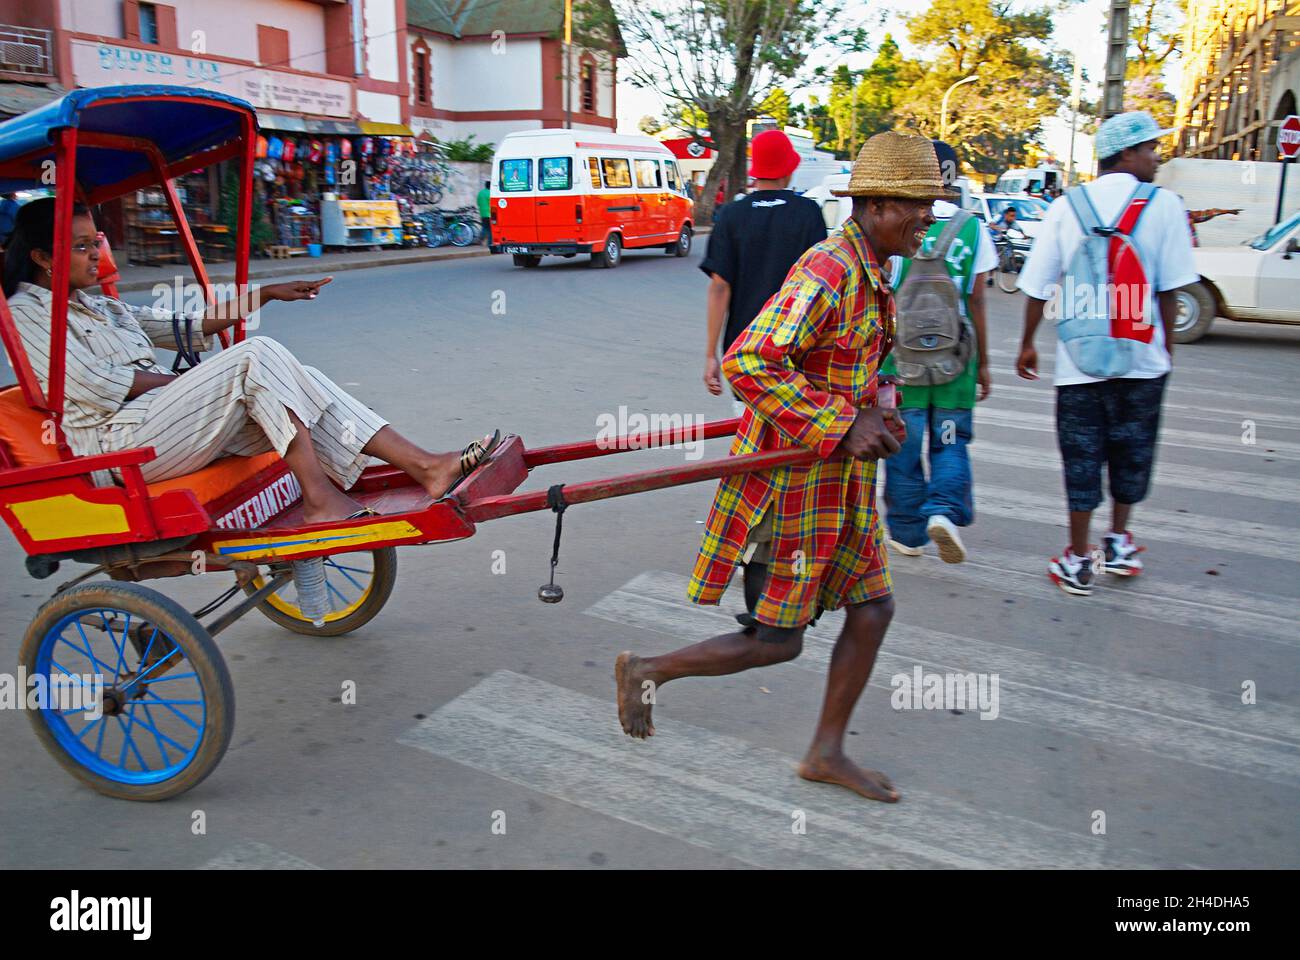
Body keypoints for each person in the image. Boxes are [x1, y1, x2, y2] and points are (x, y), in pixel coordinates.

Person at [615, 131, 952, 804]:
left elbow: (853, 364)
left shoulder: (875, 270)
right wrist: (841, 421)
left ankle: (825, 752)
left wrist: (881, 409)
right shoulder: (830, 268)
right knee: (778, 642)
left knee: (875, 609)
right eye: (919, 204)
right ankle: (646, 668)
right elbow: (749, 361)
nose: (928, 218)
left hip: (843, 484)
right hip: (796, 486)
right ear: (880, 203)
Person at [4, 199, 499, 523]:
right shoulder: (28, 311)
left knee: (302, 380)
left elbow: (188, 327)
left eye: (97, 244)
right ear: (44, 257)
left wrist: (264, 294)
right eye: (83, 246)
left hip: (155, 427)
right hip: (114, 446)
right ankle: (320, 499)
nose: (96, 256)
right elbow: (94, 385)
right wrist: (196, 382)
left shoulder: (100, 303)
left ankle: (428, 466)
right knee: (255, 357)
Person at [1015, 111, 1198, 596]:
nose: (1157, 158)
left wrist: (1028, 343)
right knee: (1132, 453)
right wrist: (1167, 351)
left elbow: (1037, 285)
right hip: (1144, 361)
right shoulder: (1165, 207)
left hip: (1080, 365)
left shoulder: (1065, 208)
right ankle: (1117, 543)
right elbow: (1171, 291)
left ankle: (1077, 560)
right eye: (1151, 149)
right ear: (1126, 153)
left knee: (1081, 460)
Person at [881, 141, 997, 564]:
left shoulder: (898, 224)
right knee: (950, 443)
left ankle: (908, 534)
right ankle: (944, 512)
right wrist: (984, 363)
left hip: (901, 363)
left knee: (903, 449)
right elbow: (978, 300)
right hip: (955, 363)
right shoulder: (972, 227)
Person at [700, 129, 826, 414]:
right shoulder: (808, 213)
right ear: (788, 168)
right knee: (793, 446)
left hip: (744, 351)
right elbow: (822, 285)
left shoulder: (731, 215)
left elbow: (719, 288)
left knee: (750, 445)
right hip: (797, 351)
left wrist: (710, 356)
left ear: (756, 170)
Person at [477, 179, 492, 246]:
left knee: (484, 227)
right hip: (489, 213)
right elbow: (492, 203)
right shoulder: (490, 193)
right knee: (490, 229)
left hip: (482, 213)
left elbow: (478, 203)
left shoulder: (480, 193)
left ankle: (481, 238)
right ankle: (490, 242)